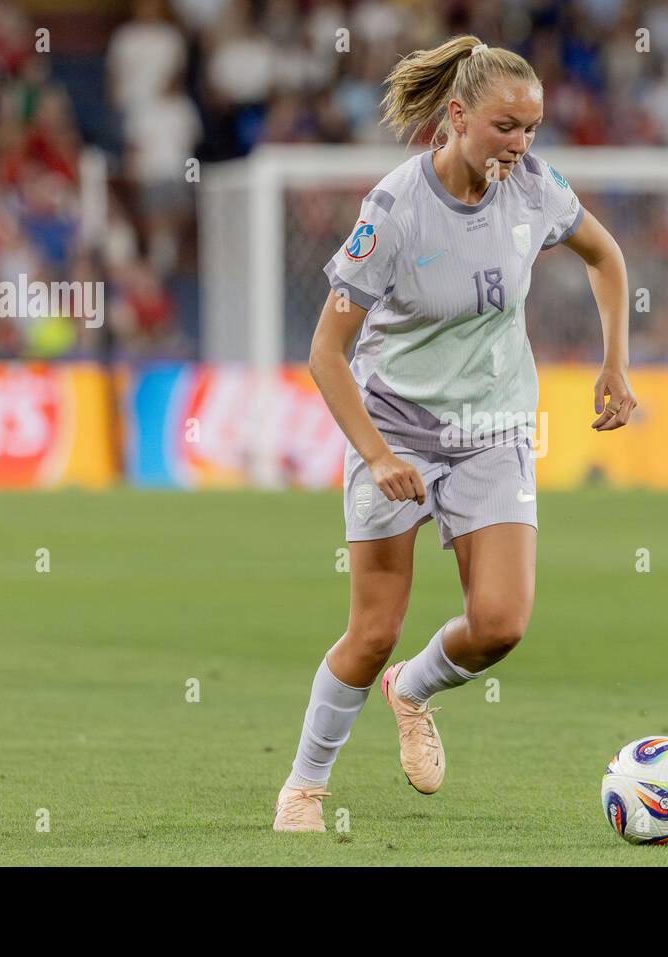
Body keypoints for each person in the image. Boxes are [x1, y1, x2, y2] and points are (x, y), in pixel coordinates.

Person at [273, 36, 637, 831]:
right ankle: (303, 786)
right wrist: (377, 454)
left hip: (494, 426)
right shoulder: (394, 210)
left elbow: (606, 257)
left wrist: (614, 361)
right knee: (372, 631)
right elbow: (326, 352)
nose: (521, 144)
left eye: (532, 128)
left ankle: (412, 689)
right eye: (507, 126)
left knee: (501, 623)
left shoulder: (536, 188)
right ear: (458, 115)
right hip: (396, 428)